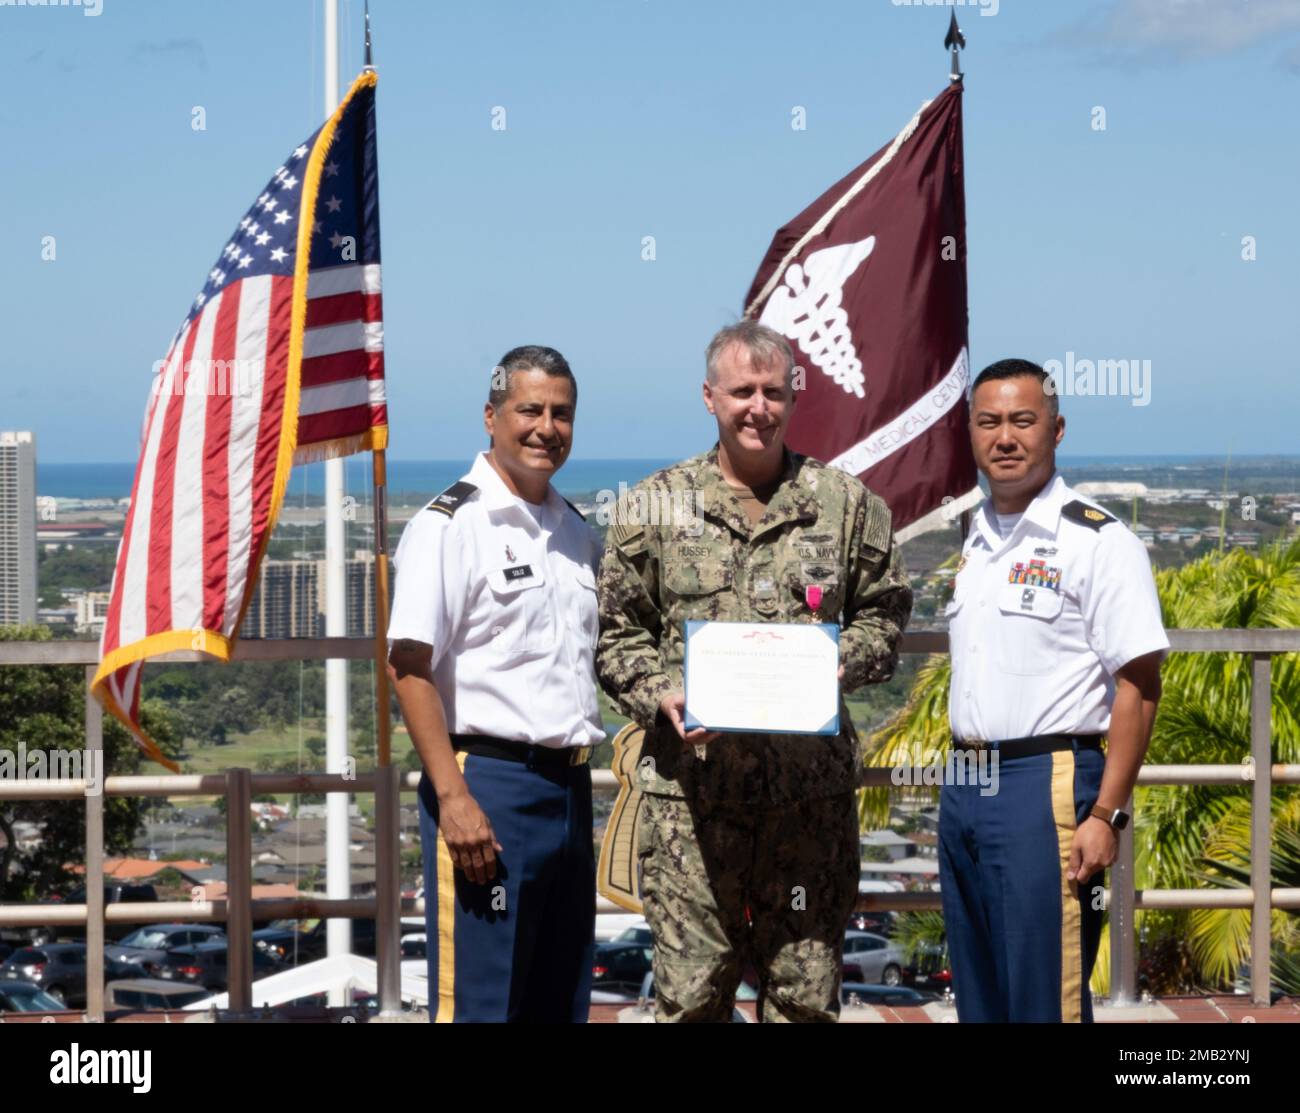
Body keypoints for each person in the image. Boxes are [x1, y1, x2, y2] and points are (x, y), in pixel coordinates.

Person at [596, 320, 912, 1022]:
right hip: (691, 808)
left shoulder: (846, 505)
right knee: (690, 1002)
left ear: (795, 396)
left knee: (802, 1002)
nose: (757, 407)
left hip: (808, 806)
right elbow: (616, 637)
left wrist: (835, 663)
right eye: (742, 391)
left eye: (773, 391)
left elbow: (886, 620)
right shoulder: (653, 505)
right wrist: (660, 691)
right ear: (709, 396)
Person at [941, 358, 1168, 1023]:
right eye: (988, 422)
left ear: (1057, 428)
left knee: (1048, 999)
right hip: (965, 780)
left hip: (1047, 782)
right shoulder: (977, 537)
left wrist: (1106, 815)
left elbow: (1140, 683)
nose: (1004, 437)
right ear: (971, 435)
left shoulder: (1098, 541)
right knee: (981, 997)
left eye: (1022, 420)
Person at [386, 345, 603, 1023]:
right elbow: (407, 664)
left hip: (569, 791)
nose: (546, 427)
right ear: (491, 416)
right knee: (482, 1004)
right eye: (529, 409)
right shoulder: (450, 525)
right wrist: (453, 795)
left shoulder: (577, 533)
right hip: (489, 788)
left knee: (557, 1000)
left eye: (561, 413)